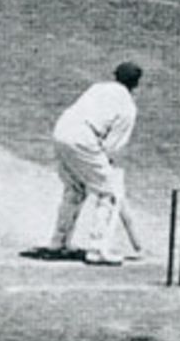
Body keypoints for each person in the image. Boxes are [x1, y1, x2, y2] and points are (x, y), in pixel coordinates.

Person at [35, 61, 143, 266]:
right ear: (136, 85)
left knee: (75, 189)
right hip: (84, 138)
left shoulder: (98, 88)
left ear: (115, 76)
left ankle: (58, 243)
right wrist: (106, 170)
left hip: (61, 131)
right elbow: (112, 147)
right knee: (110, 193)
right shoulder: (128, 107)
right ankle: (98, 249)